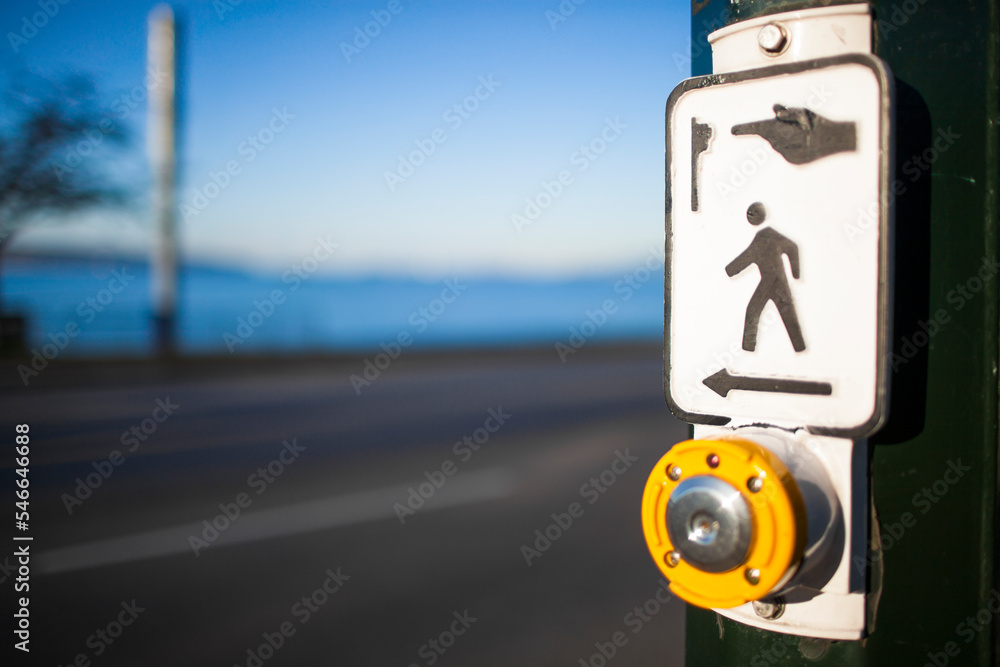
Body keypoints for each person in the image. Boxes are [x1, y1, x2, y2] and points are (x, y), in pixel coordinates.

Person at [725, 202, 806, 352]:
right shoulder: (761, 239)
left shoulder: (768, 236)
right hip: (770, 283)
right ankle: (750, 349)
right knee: (758, 311)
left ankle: (800, 348)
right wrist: (730, 269)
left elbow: (792, 247)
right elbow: (745, 258)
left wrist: (796, 273)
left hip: (775, 282)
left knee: (766, 311)